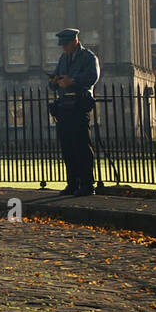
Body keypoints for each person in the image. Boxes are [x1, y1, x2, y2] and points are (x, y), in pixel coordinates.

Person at [48, 28, 100, 195]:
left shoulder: (89, 57)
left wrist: (73, 81)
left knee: (81, 147)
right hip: (64, 106)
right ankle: (72, 183)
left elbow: (92, 77)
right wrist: (54, 81)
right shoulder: (64, 58)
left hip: (79, 104)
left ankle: (86, 184)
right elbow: (54, 81)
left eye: (66, 44)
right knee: (67, 147)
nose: (63, 48)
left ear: (75, 42)